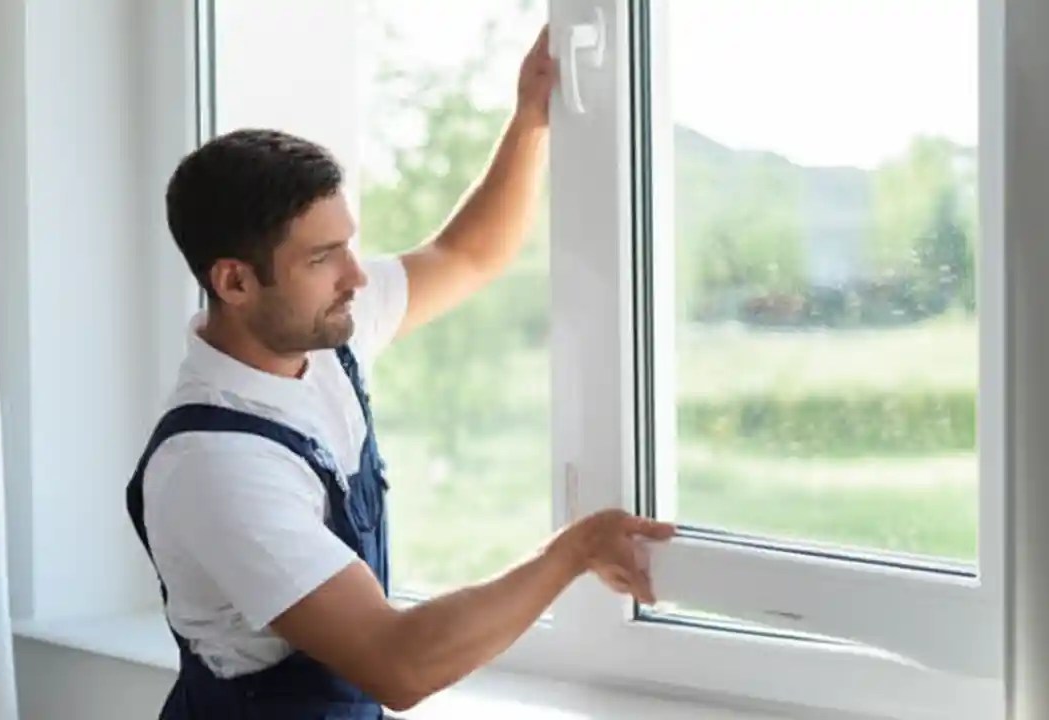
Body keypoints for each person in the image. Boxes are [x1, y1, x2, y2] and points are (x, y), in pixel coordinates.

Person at [125, 26, 676, 719]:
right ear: (234, 282)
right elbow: (399, 665)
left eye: (347, 244)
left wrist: (532, 118)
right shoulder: (217, 464)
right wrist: (573, 552)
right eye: (323, 256)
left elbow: (467, 254)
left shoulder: (323, 338)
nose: (357, 275)